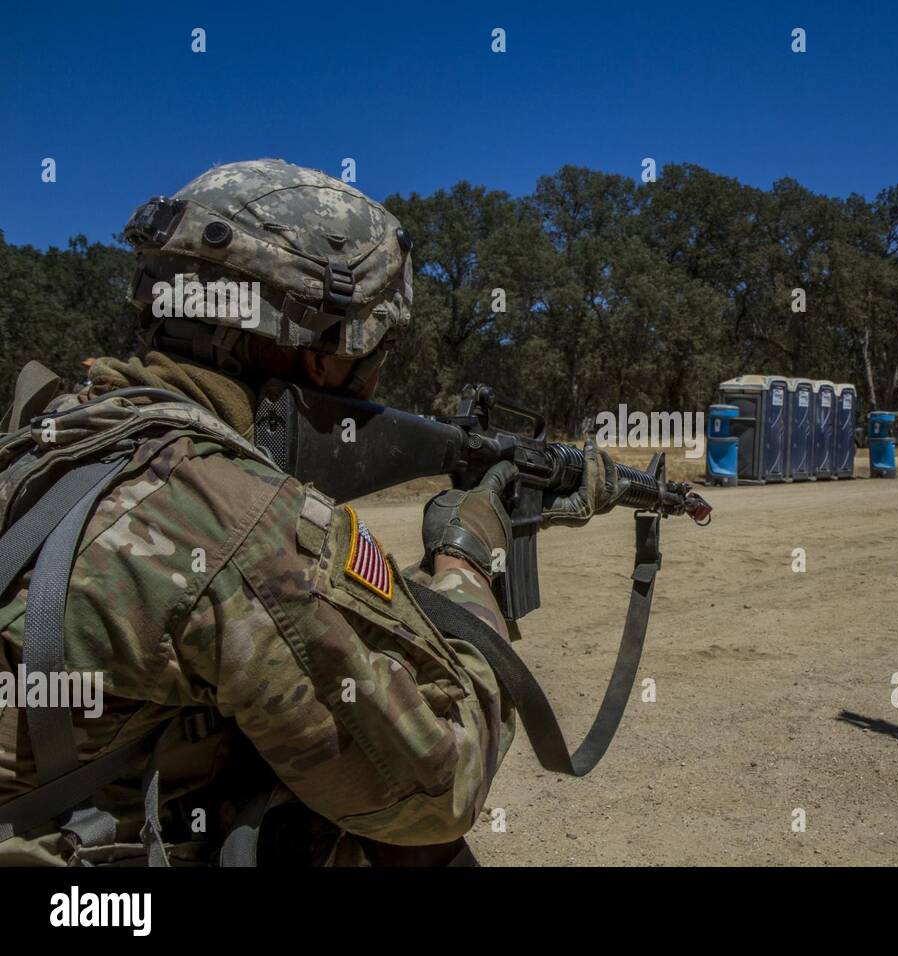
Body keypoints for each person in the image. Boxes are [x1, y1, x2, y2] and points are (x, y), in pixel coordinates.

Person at [0, 159, 626, 867]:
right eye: (378, 349)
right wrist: (468, 560)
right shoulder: (238, 523)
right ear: (327, 359)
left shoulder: (53, 439)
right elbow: (434, 785)